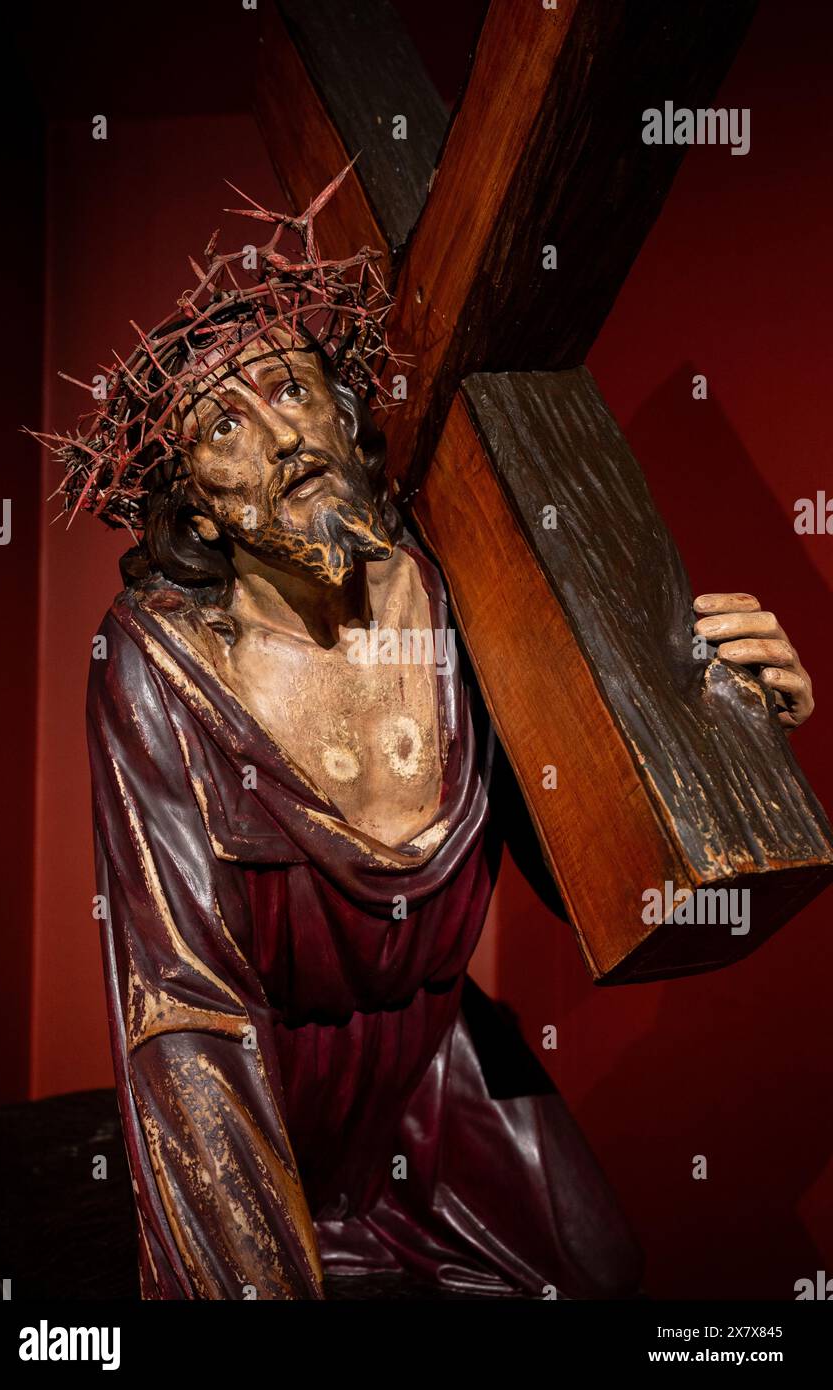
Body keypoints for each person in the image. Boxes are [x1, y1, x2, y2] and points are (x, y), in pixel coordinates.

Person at [44, 181, 813, 1300]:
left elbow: (602, 869)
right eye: (222, 425)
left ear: (340, 412)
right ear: (194, 507)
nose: (278, 435)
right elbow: (186, 1007)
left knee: (596, 1269)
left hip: (431, 1069)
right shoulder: (157, 668)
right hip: (260, 1097)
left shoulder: (465, 580)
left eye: (289, 388)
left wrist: (733, 731)